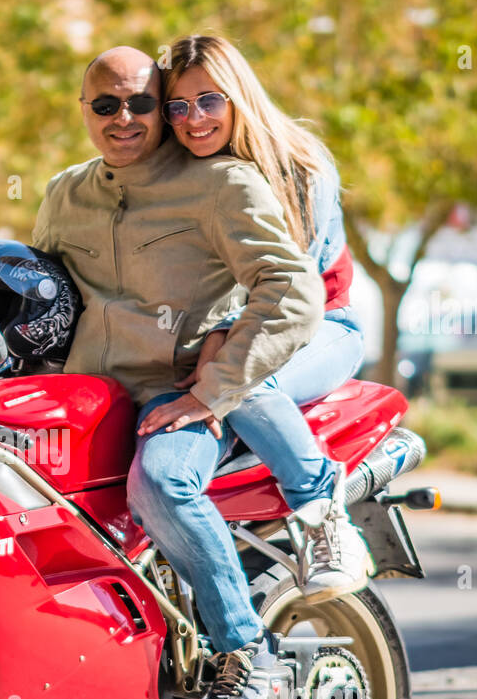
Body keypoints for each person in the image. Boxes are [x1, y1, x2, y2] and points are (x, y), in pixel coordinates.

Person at [0, 45, 324, 699]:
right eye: (103, 106)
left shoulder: (221, 184)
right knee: (17, 569)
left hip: (170, 396)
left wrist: (208, 391)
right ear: (84, 110)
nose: (124, 120)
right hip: (77, 403)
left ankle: (243, 654)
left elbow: (292, 293)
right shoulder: (65, 193)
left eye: (140, 105)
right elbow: (40, 306)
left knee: (161, 488)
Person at [156, 34, 371, 601]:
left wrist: (223, 342)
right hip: (222, 339)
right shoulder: (183, 171)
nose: (193, 119)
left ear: (239, 96)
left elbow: (290, 292)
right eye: (178, 106)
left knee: (246, 382)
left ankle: (326, 518)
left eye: (209, 100)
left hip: (323, 327)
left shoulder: (301, 165)